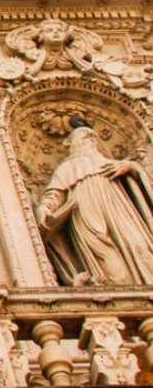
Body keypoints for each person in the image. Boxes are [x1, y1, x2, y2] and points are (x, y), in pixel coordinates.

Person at [38, 118, 153, 286]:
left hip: (118, 208)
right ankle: (120, 291)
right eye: (83, 139)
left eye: (91, 139)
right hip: (85, 212)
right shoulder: (67, 168)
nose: (88, 143)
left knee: (138, 244)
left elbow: (145, 186)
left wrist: (130, 167)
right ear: (70, 144)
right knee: (103, 252)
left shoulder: (112, 164)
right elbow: (54, 194)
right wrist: (44, 208)